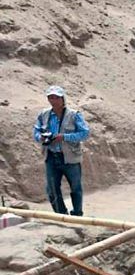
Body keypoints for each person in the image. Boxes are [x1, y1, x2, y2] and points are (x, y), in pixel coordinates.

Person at [32, 85, 90, 216]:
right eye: (51, 97)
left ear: (62, 98)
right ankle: (61, 215)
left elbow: (85, 133)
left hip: (70, 157)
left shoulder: (74, 115)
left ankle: (77, 214)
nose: (53, 100)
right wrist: (41, 137)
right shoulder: (44, 115)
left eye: (56, 97)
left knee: (75, 187)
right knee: (52, 189)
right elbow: (36, 132)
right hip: (51, 156)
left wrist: (64, 137)